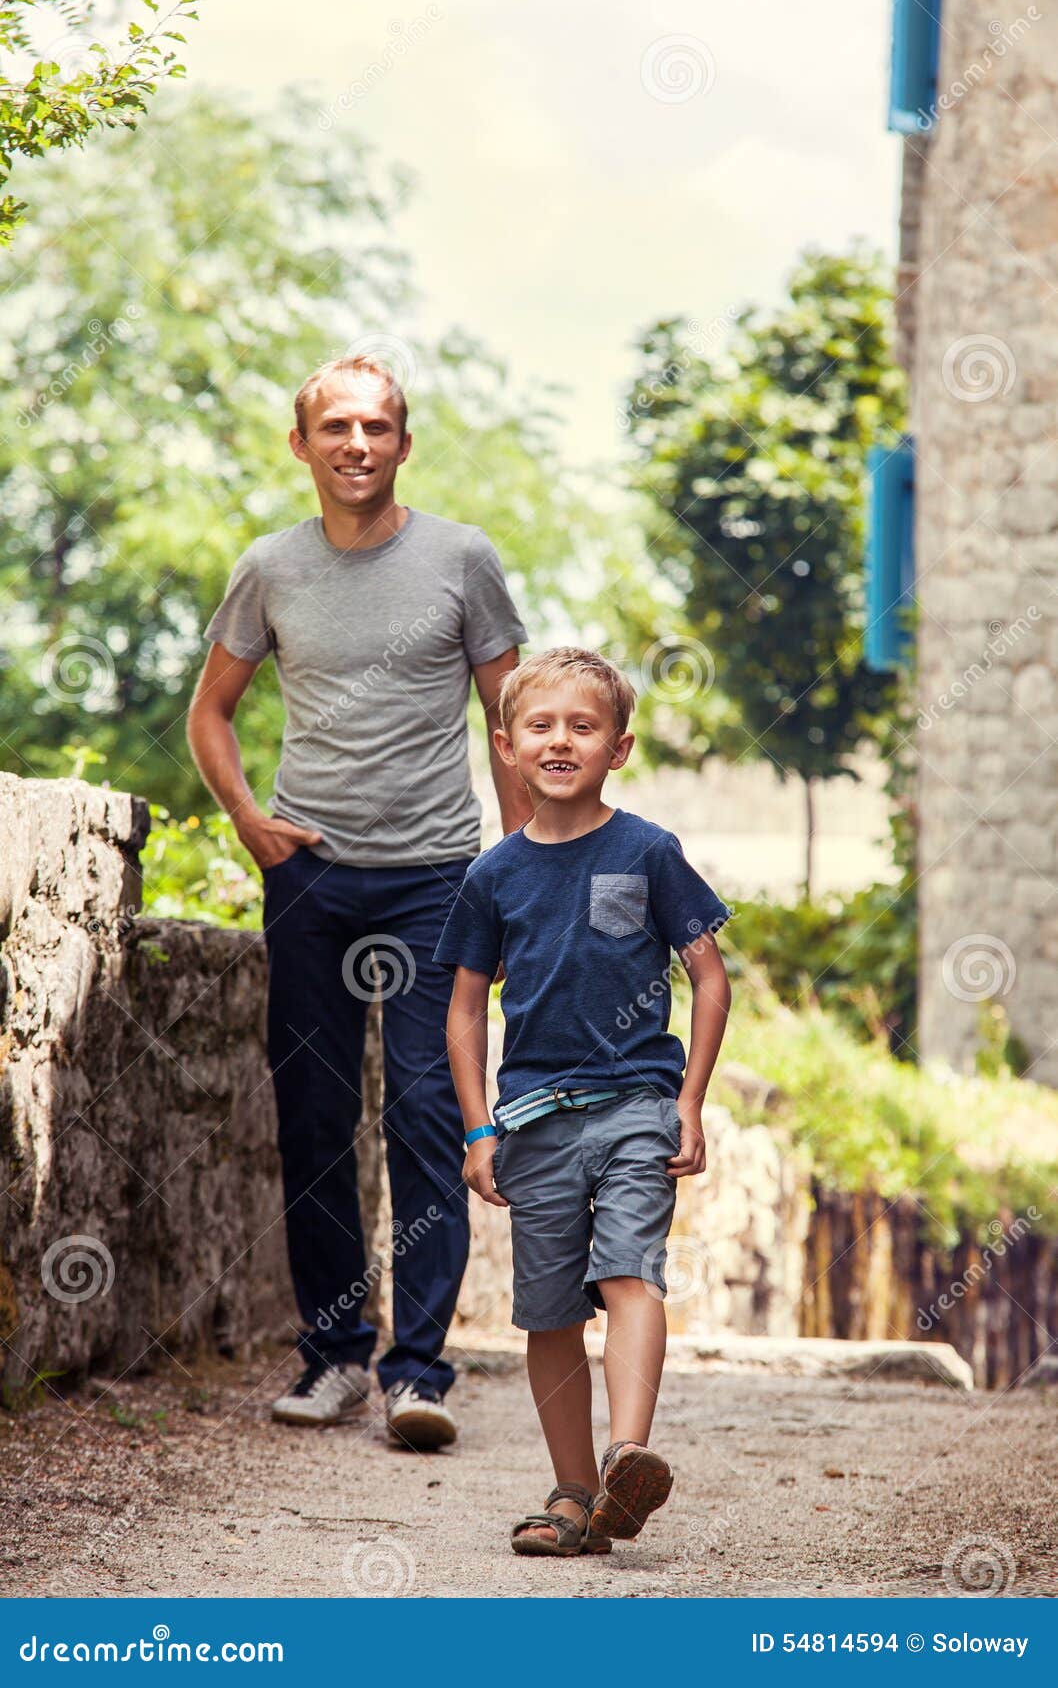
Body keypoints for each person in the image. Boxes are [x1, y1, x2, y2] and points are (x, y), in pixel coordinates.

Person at [186, 355, 532, 1449]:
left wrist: (525, 871)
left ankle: (417, 1373)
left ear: (403, 443)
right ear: (301, 445)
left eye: (376, 426)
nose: (356, 444)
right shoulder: (269, 569)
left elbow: (509, 721)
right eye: (334, 427)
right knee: (314, 1120)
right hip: (312, 880)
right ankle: (336, 1353)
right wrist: (250, 822)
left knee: (432, 1114)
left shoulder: (460, 561)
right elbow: (211, 713)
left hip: (438, 878)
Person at [434, 647, 732, 1552]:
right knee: (551, 1311)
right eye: (541, 726)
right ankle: (573, 1499)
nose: (561, 740)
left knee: (631, 1270)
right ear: (508, 746)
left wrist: (688, 1102)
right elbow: (463, 1010)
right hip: (532, 1122)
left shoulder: (648, 852)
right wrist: (478, 1127)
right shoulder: (493, 876)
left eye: (583, 726)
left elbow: (709, 979)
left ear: (620, 748)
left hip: (639, 1102)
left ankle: (626, 1458)